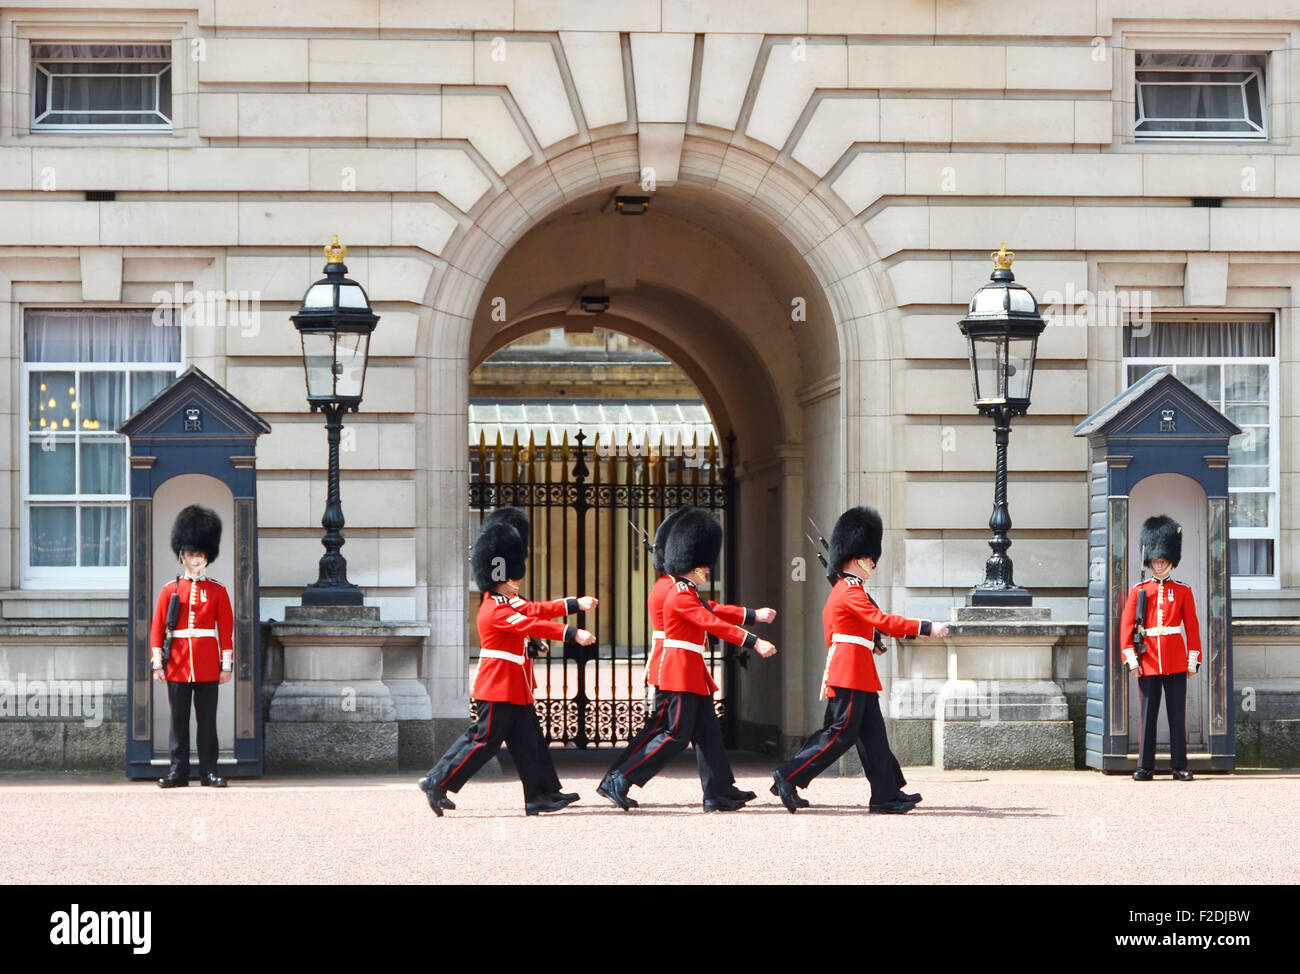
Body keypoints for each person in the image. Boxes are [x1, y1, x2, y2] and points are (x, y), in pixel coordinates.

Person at [771, 506, 948, 814]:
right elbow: (881, 619)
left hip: (858, 668)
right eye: (869, 559)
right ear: (855, 559)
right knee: (840, 733)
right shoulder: (850, 591)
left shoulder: (849, 590)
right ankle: (789, 775)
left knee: (873, 736)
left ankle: (886, 794)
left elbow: (859, 627)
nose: (872, 565)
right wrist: (925, 627)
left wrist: (872, 641)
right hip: (849, 671)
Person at [599, 507, 777, 812]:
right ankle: (622, 777)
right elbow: (712, 622)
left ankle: (719, 790)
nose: (707, 571)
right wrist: (753, 640)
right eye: (704, 567)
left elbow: (712, 609)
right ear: (691, 563)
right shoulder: (677, 593)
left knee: (707, 732)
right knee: (674, 734)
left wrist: (751, 615)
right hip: (678, 670)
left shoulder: (684, 590)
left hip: (691, 669)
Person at [419, 518, 596, 817]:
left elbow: (534, 609)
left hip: (515, 686)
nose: (518, 581)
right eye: (514, 576)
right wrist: (571, 633)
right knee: (484, 740)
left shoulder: (506, 601)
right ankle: (437, 779)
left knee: (530, 741)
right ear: (502, 575)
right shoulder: (494, 608)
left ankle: (541, 794)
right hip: (498, 686)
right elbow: (529, 622)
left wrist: (574, 604)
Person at [151, 505, 234, 788]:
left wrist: (226, 666)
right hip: (177, 664)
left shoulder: (218, 591)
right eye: (190, 554)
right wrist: (157, 664)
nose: (195, 558)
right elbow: (157, 628)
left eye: (199, 554)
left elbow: (226, 631)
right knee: (178, 722)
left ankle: (209, 772)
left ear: (207, 557)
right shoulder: (169, 590)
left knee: (207, 723)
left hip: (209, 665)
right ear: (182, 555)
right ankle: (178, 772)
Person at [1121, 515, 1201, 782]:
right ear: (1151, 560)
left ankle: (1180, 766)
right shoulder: (1139, 590)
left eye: (1163, 560)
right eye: (1155, 560)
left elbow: (1192, 628)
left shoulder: (1183, 591)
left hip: (1176, 661)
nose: (1159, 563)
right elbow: (1127, 628)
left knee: (1177, 717)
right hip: (1149, 660)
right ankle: (1145, 766)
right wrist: (1132, 659)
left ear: (1170, 560)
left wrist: (1192, 660)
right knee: (1148, 717)